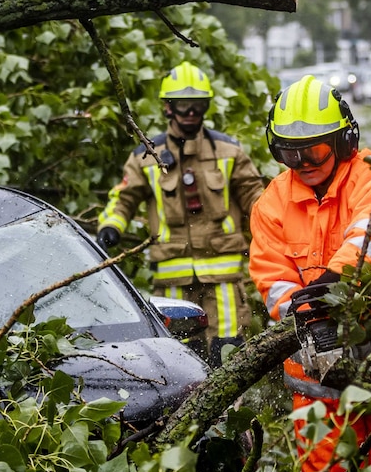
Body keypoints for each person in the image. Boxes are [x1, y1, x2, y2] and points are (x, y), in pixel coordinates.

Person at [248, 75, 371, 472]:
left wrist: (337, 280)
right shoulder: (271, 203)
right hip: (317, 370)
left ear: (342, 141)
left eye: (313, 150)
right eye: (289, 153)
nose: (304, 163)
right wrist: (304, 314)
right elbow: (272, 277)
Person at [97, 62, 265, 366]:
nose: (191, 113)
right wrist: (111, 227)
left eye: (198, 105)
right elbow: (123, 199)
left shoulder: (229, 151)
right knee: (181, 357)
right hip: (172, 283)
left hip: (223, 277)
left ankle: (229, 413)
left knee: (227, 353)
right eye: (184, 105)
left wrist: (274, 228)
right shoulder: (146, 156)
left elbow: (257, 197)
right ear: (167, 108)